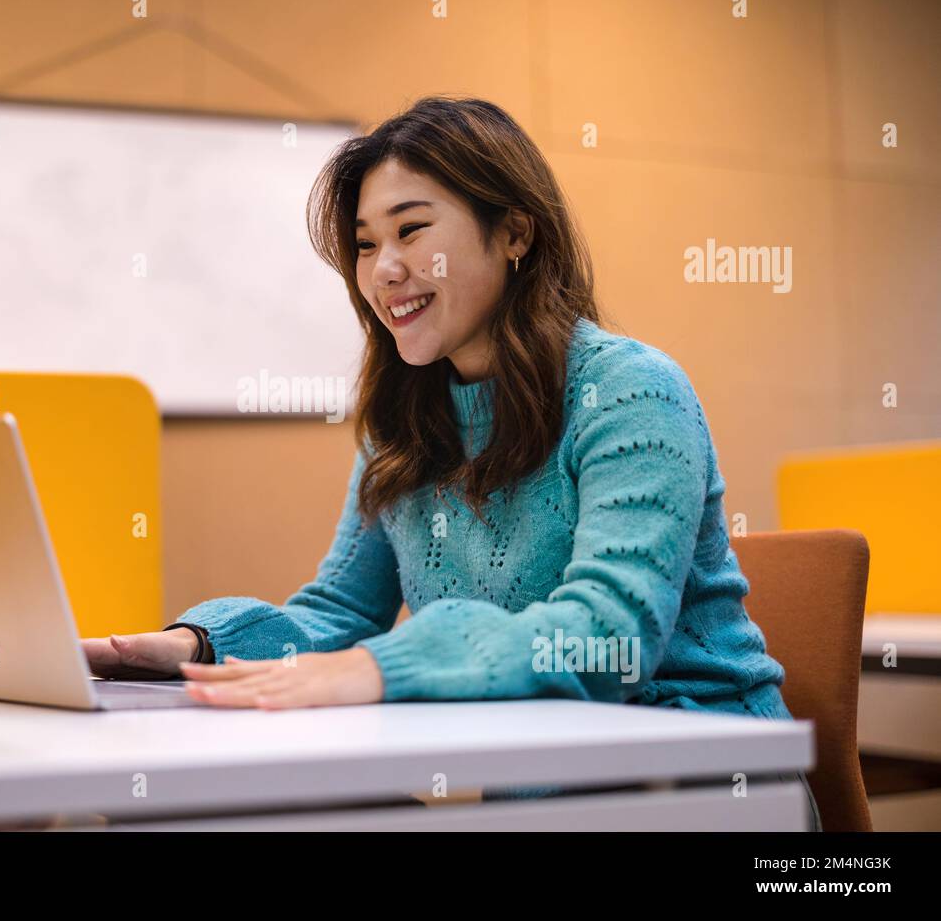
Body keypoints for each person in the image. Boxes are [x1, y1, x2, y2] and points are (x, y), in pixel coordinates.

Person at [81, 96, 822, 830]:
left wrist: (390, 663)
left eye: (411, 230)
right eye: (367, 244)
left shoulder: (630, 392)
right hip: (545, 794)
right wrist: (196, 649)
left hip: (702, 790)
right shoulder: (405, 423)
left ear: (515, 234)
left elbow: (612, 637)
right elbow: (339, 613)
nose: (384, 271)